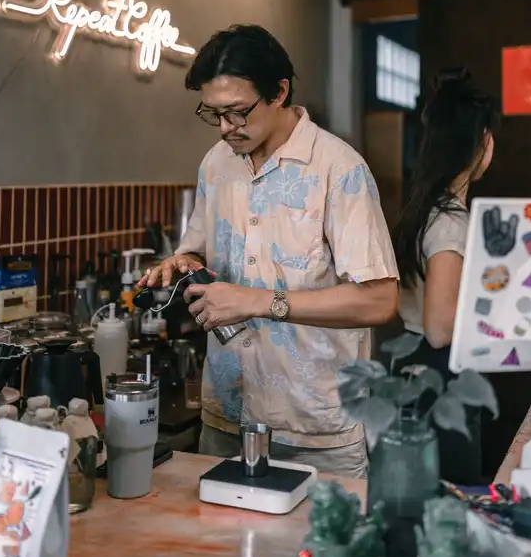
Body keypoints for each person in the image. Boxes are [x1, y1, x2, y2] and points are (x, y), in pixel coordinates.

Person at [140, 24, 399, 477]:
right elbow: (199, 251)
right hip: (226, 415)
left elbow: (379, 300)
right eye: (214, 113)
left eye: (238, 112)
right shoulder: (216, 164)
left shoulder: (338, 169)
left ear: (279, 92)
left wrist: (260, 301)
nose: (226, 128)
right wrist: (186, 262)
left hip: (313, 428)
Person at [392, 68, 498, 484]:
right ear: (484, 142)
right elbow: (439, 328)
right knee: (450, 499)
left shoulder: (423, 210)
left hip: (411, 365)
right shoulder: (451, 221)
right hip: (441, 375)